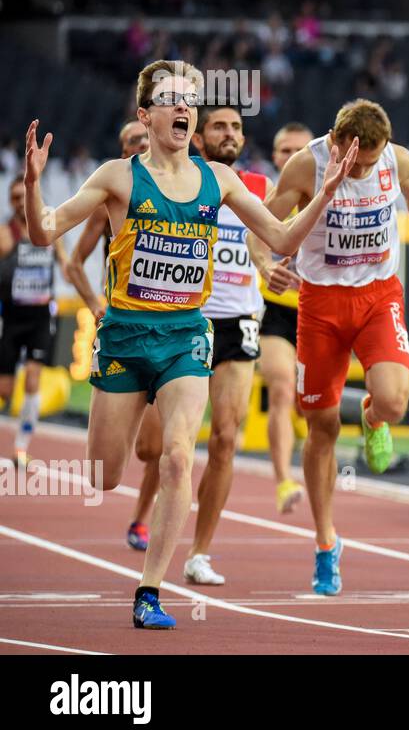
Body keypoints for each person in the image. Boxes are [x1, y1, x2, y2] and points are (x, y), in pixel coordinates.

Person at [22, 59, 357, 630]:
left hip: (185, 336)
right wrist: (33, 186)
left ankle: (150, 589)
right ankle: (125, 463)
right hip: (125, 336)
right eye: (170, 99)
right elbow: (43, 231)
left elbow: (278, 237)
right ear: (145, 115)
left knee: (180, 455)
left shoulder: (219, 181)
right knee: (105, 473)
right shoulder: (116, 177)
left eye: (189, 100)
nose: (183, 107)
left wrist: (322, 196)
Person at [257, 100, 409, 596]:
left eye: (370, 163)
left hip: (379, 295)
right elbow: (265, 220)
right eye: (356, 161)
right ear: (338, 140)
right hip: (319, 304)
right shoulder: (307, 164)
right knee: (320, 426)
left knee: (394, 400)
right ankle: (325, 543)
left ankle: (375, 418)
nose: (362, 171)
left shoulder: (395, 159)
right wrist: (261, 261)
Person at [181, 106, 273, 586]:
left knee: (225, 439)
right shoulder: (182, 182)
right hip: (184, 321)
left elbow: (272, 238)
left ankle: (199, 552)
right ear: (198, 138)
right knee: (165, 446)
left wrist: (268, 263)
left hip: (239, 322)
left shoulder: (259, 187)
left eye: (236, 127)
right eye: (219, 126)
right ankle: (156, 521)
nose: (230, 133)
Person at [64, 119, 161, 550]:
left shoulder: (180, 190)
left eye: (144, 139)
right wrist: (94, 304)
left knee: (159, 448)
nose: (141, 145)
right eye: (132, 143)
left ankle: (141, 520)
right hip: (120, 327)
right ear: (123, 152)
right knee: (120, 462)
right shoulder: (109, 202)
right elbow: (72, 262)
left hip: (169, 331)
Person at [257, 123, 314, 515]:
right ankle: (283, 480)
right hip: (273, 312)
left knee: (309, 404)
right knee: (280, 386)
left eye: (299, 149)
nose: (291, 156)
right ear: (275, 156)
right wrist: (264, 267)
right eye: (283, 150)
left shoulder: (329, 192)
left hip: (319, 311)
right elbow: (249, 240)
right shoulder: (259, 197)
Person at [0, 177, 68, 468]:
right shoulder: (5, 234)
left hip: (41, 317)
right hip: (11, 318)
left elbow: (65, 260)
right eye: (14, 198)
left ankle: (21, 449)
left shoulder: (50, 227)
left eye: (22, 196)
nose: (19, 202)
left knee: (33, 380)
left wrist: (70, 269)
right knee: (4, 390)